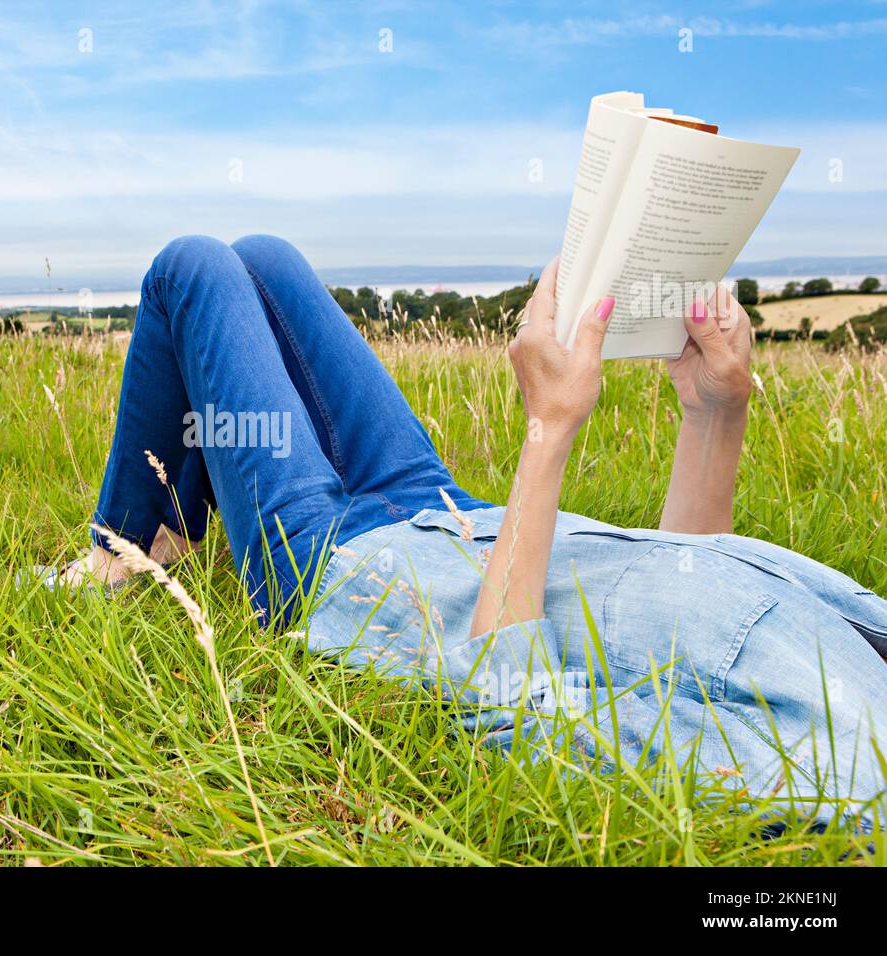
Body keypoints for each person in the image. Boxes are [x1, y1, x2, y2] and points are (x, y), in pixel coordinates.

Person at [52, 234, 887, 824]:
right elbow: (686, 592)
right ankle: (172, 522)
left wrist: (548, 430)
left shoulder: (837, 778)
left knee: (189, 269)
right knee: (265, 258)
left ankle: (126, 552)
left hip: (352, 577)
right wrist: (715, 412)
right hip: (452, 516)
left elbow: (511, 703)